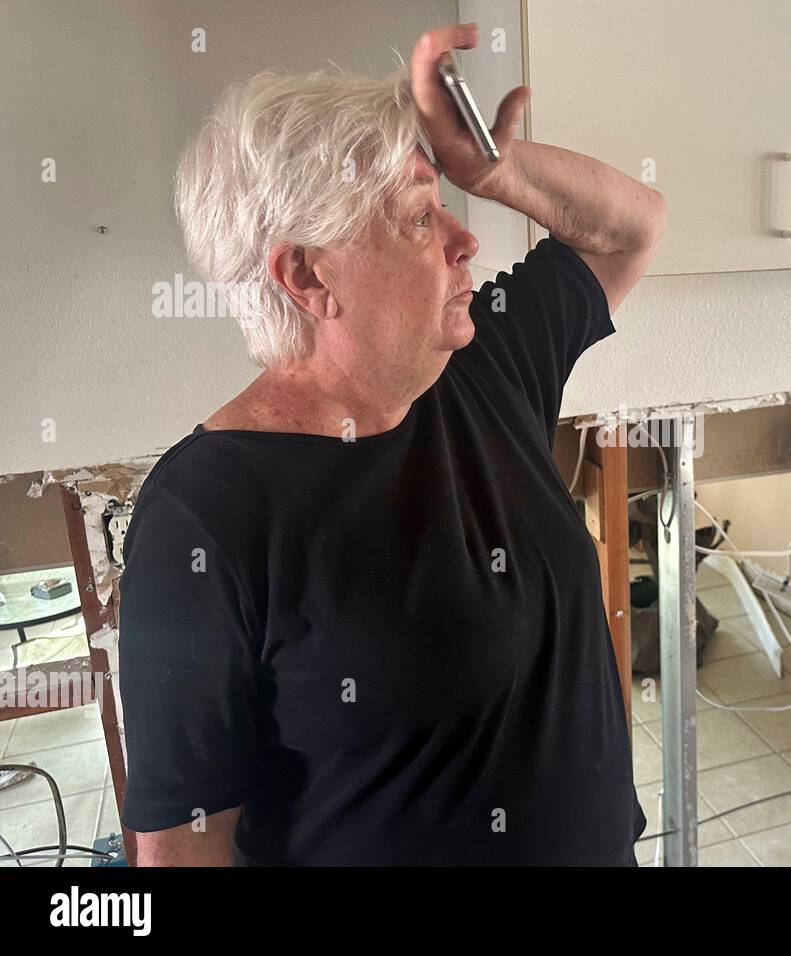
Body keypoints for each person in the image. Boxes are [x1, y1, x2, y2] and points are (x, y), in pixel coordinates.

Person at [118, 22, 666, 865]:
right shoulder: (204, 515)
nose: (464, 237)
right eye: (418, 216)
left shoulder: (485, 363)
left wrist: (493, 168)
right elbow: (183, 844)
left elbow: (632, 227)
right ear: (307, 277)